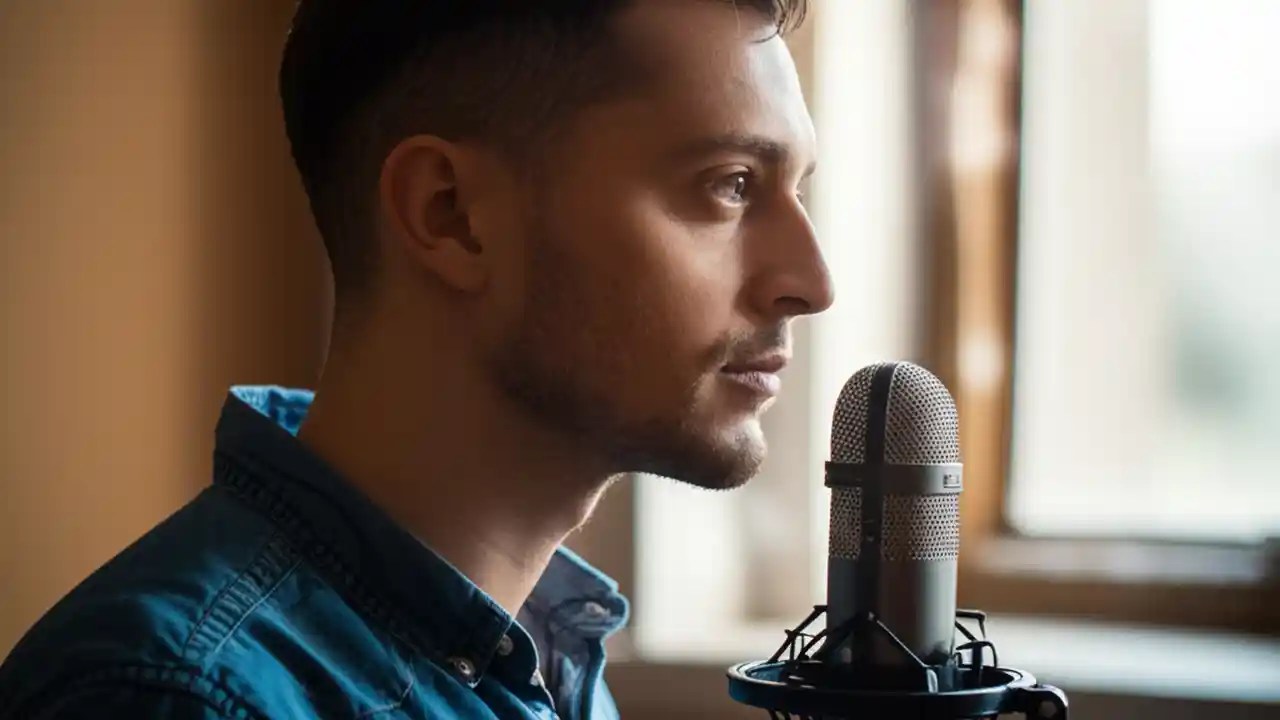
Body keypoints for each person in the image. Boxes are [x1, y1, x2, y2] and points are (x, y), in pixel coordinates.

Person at [0, 0, 831, 717]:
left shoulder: (544, 652)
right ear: (452, 216)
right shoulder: (180, 700)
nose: (811, 282)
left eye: (800, 189)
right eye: (729, 185)